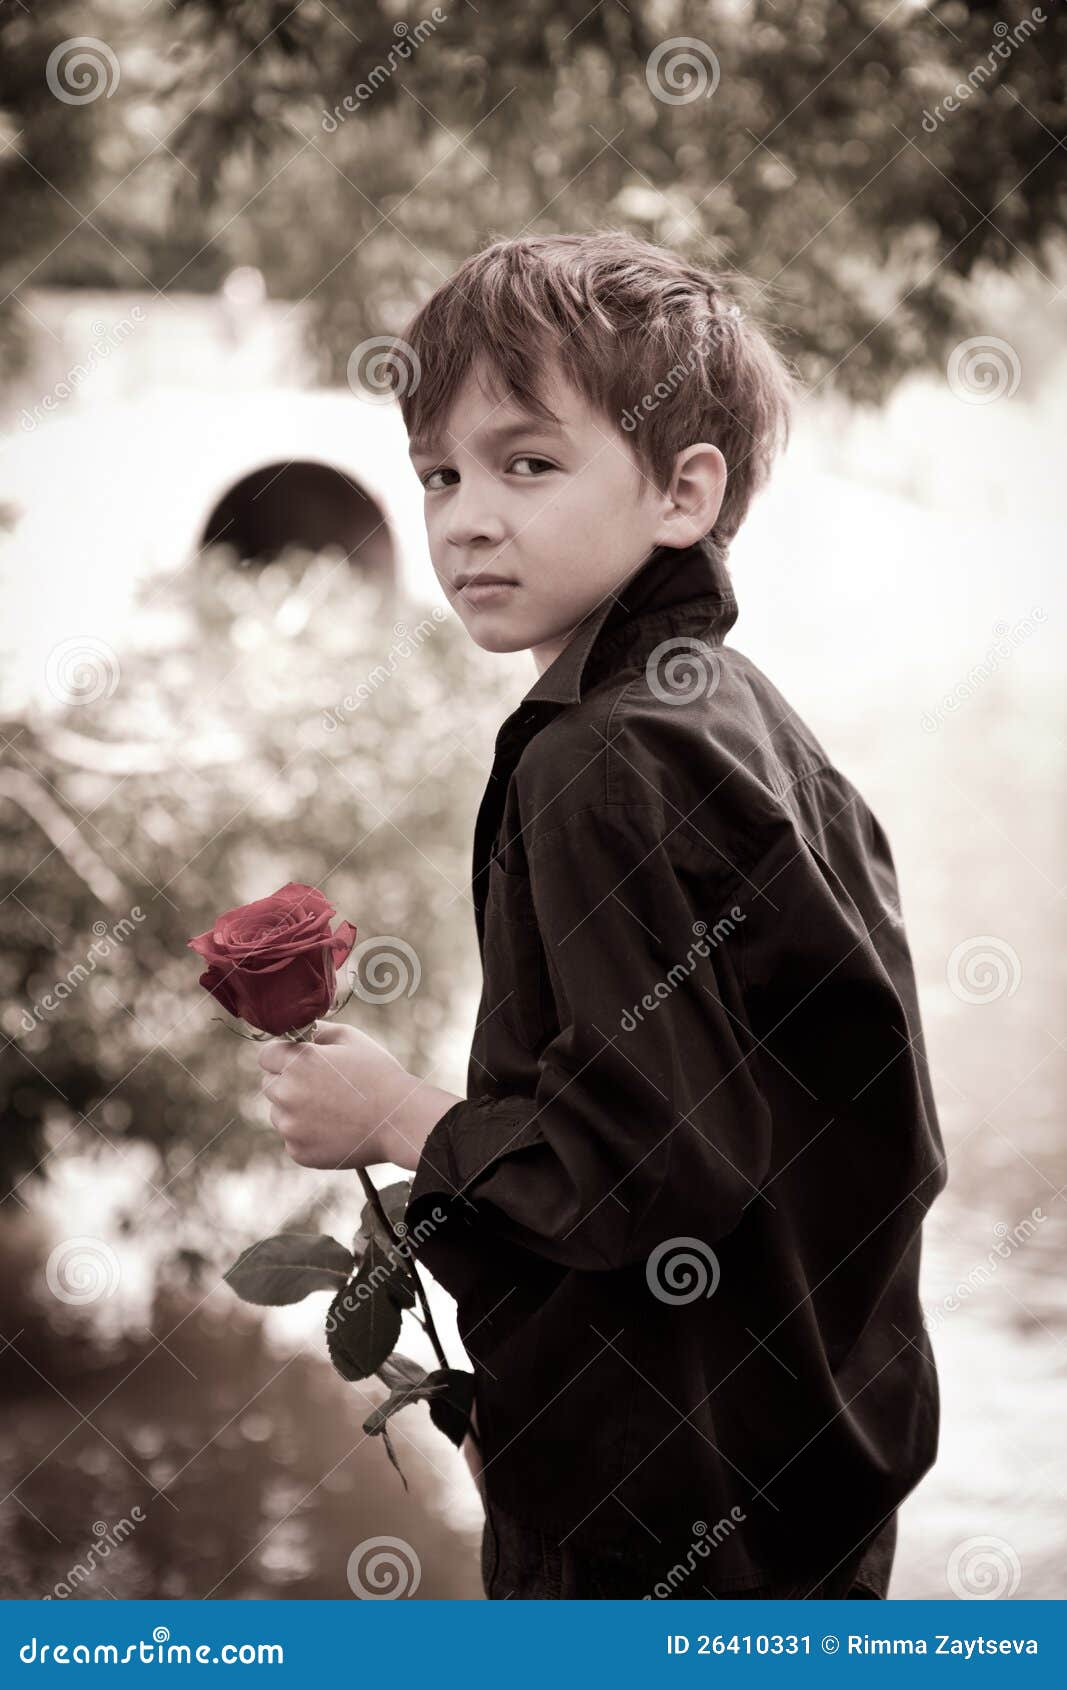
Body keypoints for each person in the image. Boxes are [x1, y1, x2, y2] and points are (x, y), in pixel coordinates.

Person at [258, 232, 947, 1600]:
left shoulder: (603, 758)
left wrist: (394, 1118)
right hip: (803, 1470)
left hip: (668, 1518)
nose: (464, 517)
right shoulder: (734, 712)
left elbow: (645, 1168)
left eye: (528, 463)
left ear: (685, 491)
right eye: (440, 475)